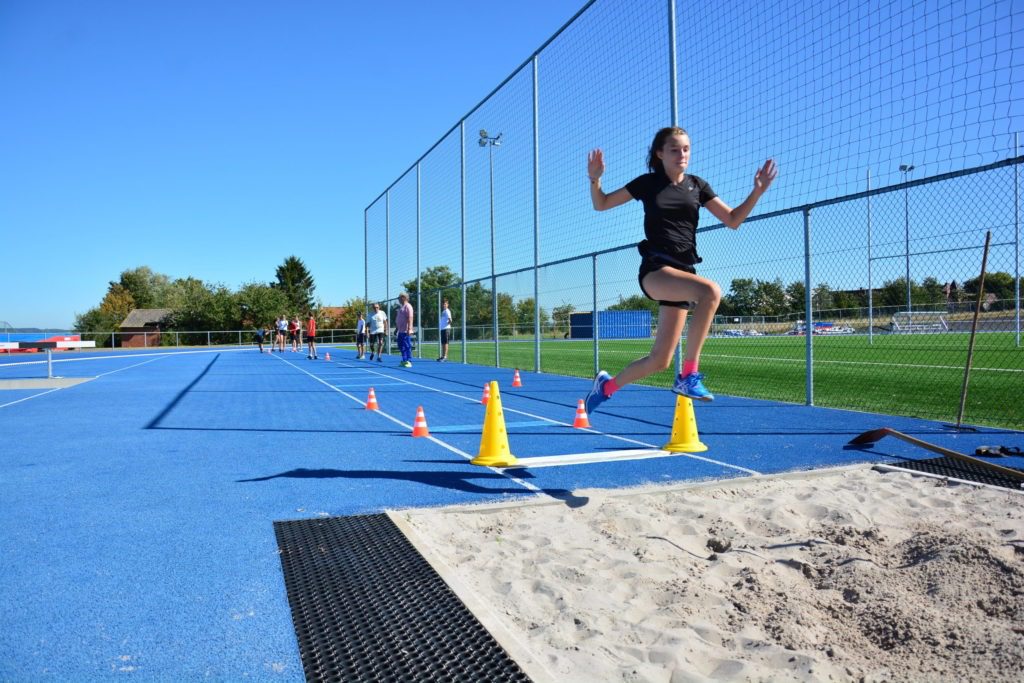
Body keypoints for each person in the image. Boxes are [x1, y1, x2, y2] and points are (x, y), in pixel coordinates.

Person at [583, 126, 777, 416]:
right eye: (674, 149)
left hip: (683, 272)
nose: (682, 154)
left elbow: (733, 220)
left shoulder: (698, 186)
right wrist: (595, 179)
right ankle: (688, 375)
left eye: (686, 148)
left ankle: (606, 387)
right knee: (710, 291)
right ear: (660, 154)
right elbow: (602, 204)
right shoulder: (648, 183)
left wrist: (757, 191)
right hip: (656, 270)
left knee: (659, 360)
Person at [395, 292, 415, 368]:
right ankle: (404, 360)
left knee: (407, 345)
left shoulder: (408, 306)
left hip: (406, 331)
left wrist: (409, 329)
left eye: (399, 298)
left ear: (403, 297)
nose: (398, 299)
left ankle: (408, 361)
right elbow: (399, 319)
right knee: (400, 345)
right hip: (400, 331)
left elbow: (410, 318)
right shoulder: (402, 307)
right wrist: (397, 329)